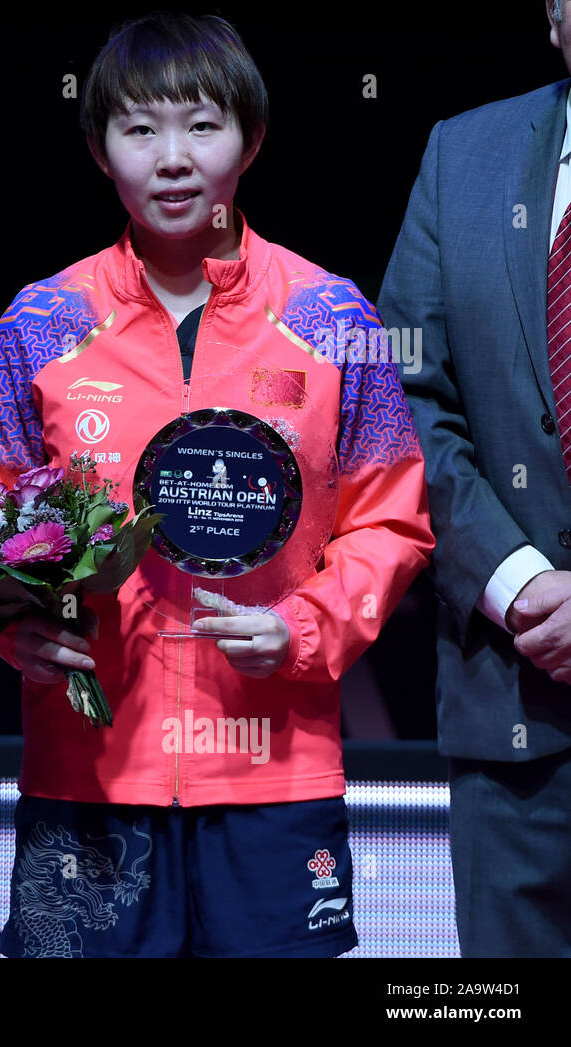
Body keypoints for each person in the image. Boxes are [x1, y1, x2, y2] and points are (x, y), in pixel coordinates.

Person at [0, 13, 433, 958]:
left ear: (250, 141)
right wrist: (17, 630)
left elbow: (392, 523)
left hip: (276, 772)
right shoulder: (40, 322)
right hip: (87, 770)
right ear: (100, 151)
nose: (172, 158)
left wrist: (302, 628)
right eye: (140, 130)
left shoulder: (331, 316)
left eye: (202, 125)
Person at [379, 0, 571, 958]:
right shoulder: (464, 154)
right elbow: (403, 395)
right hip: (515, 700)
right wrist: (522, 580)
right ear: (553, 15)